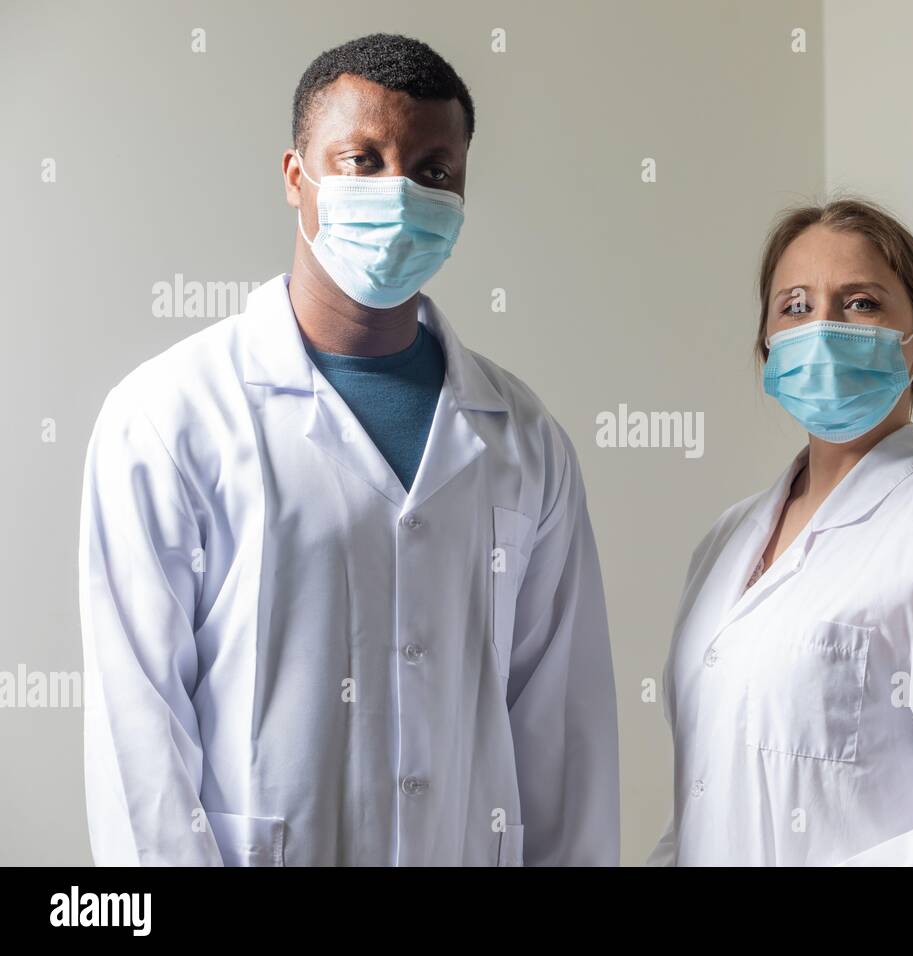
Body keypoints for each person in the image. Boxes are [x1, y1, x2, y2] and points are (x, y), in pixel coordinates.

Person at [78, 33, 618, 866]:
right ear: (298, 178)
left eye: (433, 171)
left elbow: (563, 734)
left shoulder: (525, 439)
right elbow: (137, 743)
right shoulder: (167, 417)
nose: (399, 192)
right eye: (361, 160)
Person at [648, 198, 913, 866]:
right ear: (768, 348)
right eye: (796, 306)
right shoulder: (725, 542)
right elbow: (703, 804)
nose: (822, 330)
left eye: (859, 304)